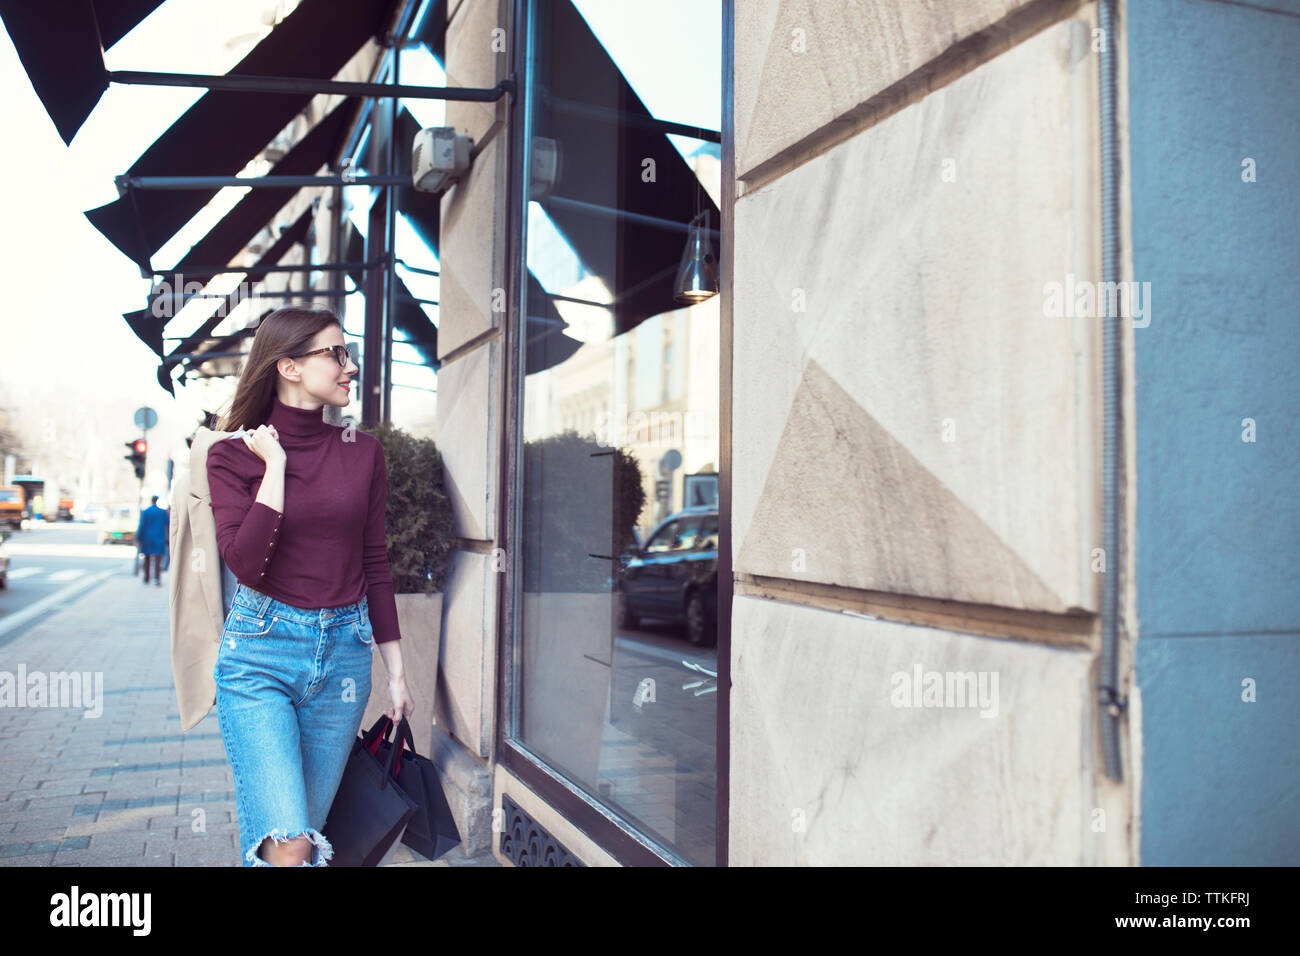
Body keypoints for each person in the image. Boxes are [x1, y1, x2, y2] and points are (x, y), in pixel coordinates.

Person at [207, 307, 413, 867]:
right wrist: (274, 467)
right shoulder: (232, 456)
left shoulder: (362, 451)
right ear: (290, 366)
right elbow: (246, 564)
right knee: (291, 843)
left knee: (306, 844)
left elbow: (376, 559)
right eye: (336, 353)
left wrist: (395, 672)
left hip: (345, 657)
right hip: (261, 655)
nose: (350, 366)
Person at [136, 496, 169, 585]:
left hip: (147, 538)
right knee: (158, 559)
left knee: (147, 558)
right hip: (159, 538)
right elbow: (168, 525)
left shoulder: (146, 512)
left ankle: (146, 577)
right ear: (157, 500)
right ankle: (157, 578)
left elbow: (142, 525)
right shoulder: (162, 512)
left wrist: (138, 538)